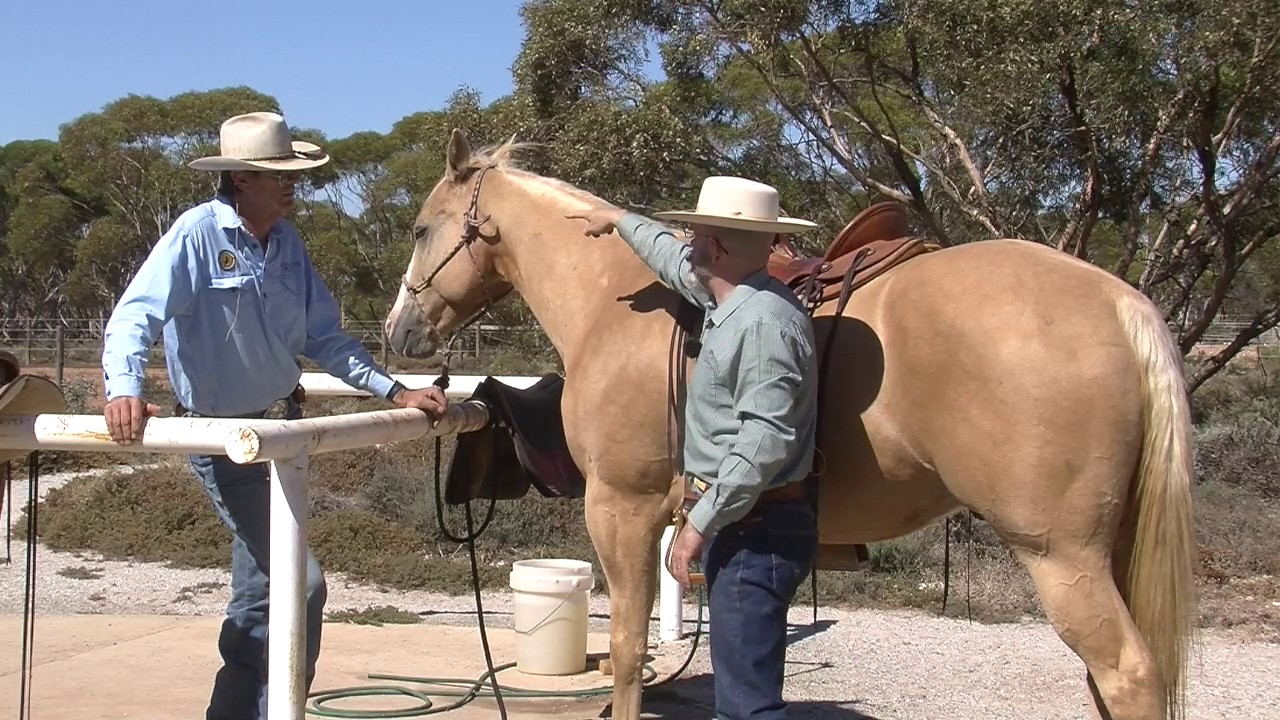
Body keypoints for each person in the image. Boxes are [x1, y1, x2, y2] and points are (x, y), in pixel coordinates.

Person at [99, 111, 448, 720]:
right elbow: (134, 316)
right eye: (275, 174)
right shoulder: (195, 235)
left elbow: (324, 337)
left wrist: (393, 392)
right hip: (228, 440)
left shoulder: (287, 244)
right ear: (239, 179)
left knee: (260, 593)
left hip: (283, 434)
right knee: (300, 584)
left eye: (292, 174)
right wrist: (123, 388)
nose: (291, 185)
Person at [567, 176, 820, 720]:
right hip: (747, 525)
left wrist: (698, 525)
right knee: (739, 695)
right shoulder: (728, 297)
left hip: (756, 529)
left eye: (697, 233)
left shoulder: (761, 324)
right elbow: (672, 261)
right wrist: (619, 218)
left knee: (746, 709)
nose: (688, 241)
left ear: (718, 245)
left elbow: (764, 439)